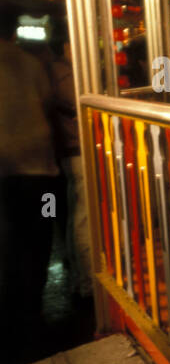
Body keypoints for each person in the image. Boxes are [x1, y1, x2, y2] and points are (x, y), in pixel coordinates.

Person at [0, 1, 61, 355]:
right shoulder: (33, 64)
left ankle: (10, 312)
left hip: (4, 175)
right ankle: (32, 305)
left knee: (8, 242)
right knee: (42, 235)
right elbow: (48, 102)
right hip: (42, 172)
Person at [47, 24, 92, 299]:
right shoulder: (62, 73)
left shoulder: (56, 71)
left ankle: (81, 275)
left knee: (76, 211)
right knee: (82, 214)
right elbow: (75, 104)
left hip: (68, 152)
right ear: (66, 45)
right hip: (75, 150)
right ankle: (85, 279)